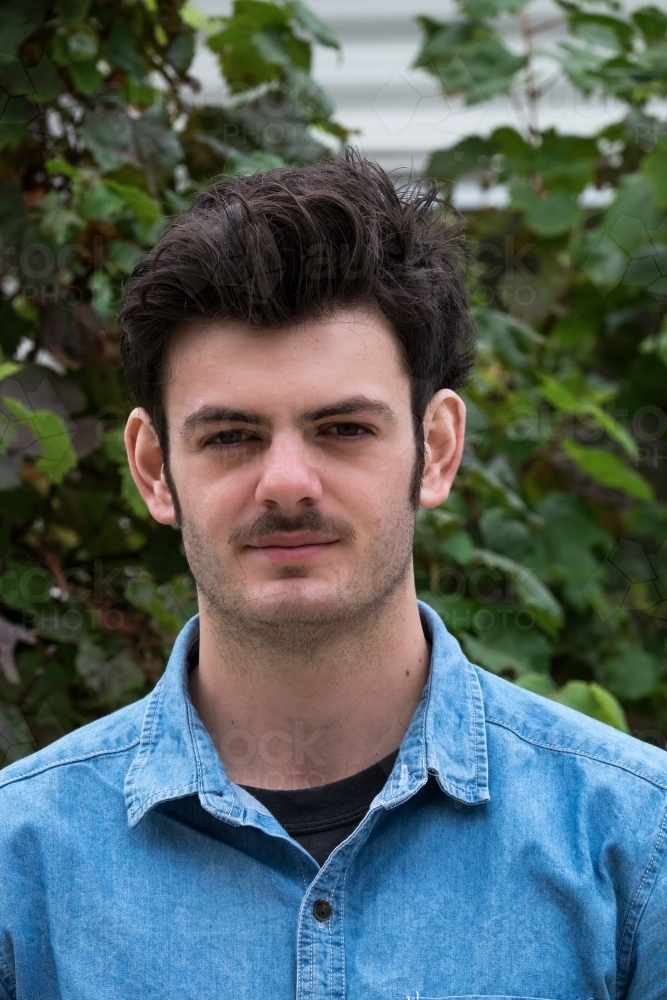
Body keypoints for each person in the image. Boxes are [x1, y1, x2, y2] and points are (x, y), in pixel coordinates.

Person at [0, 152, 665, 1000]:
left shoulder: (635, 846)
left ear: (437, 450)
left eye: (343, 429)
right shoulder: (21, 868)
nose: (286, 482)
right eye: (230, 436)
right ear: (154, 468)